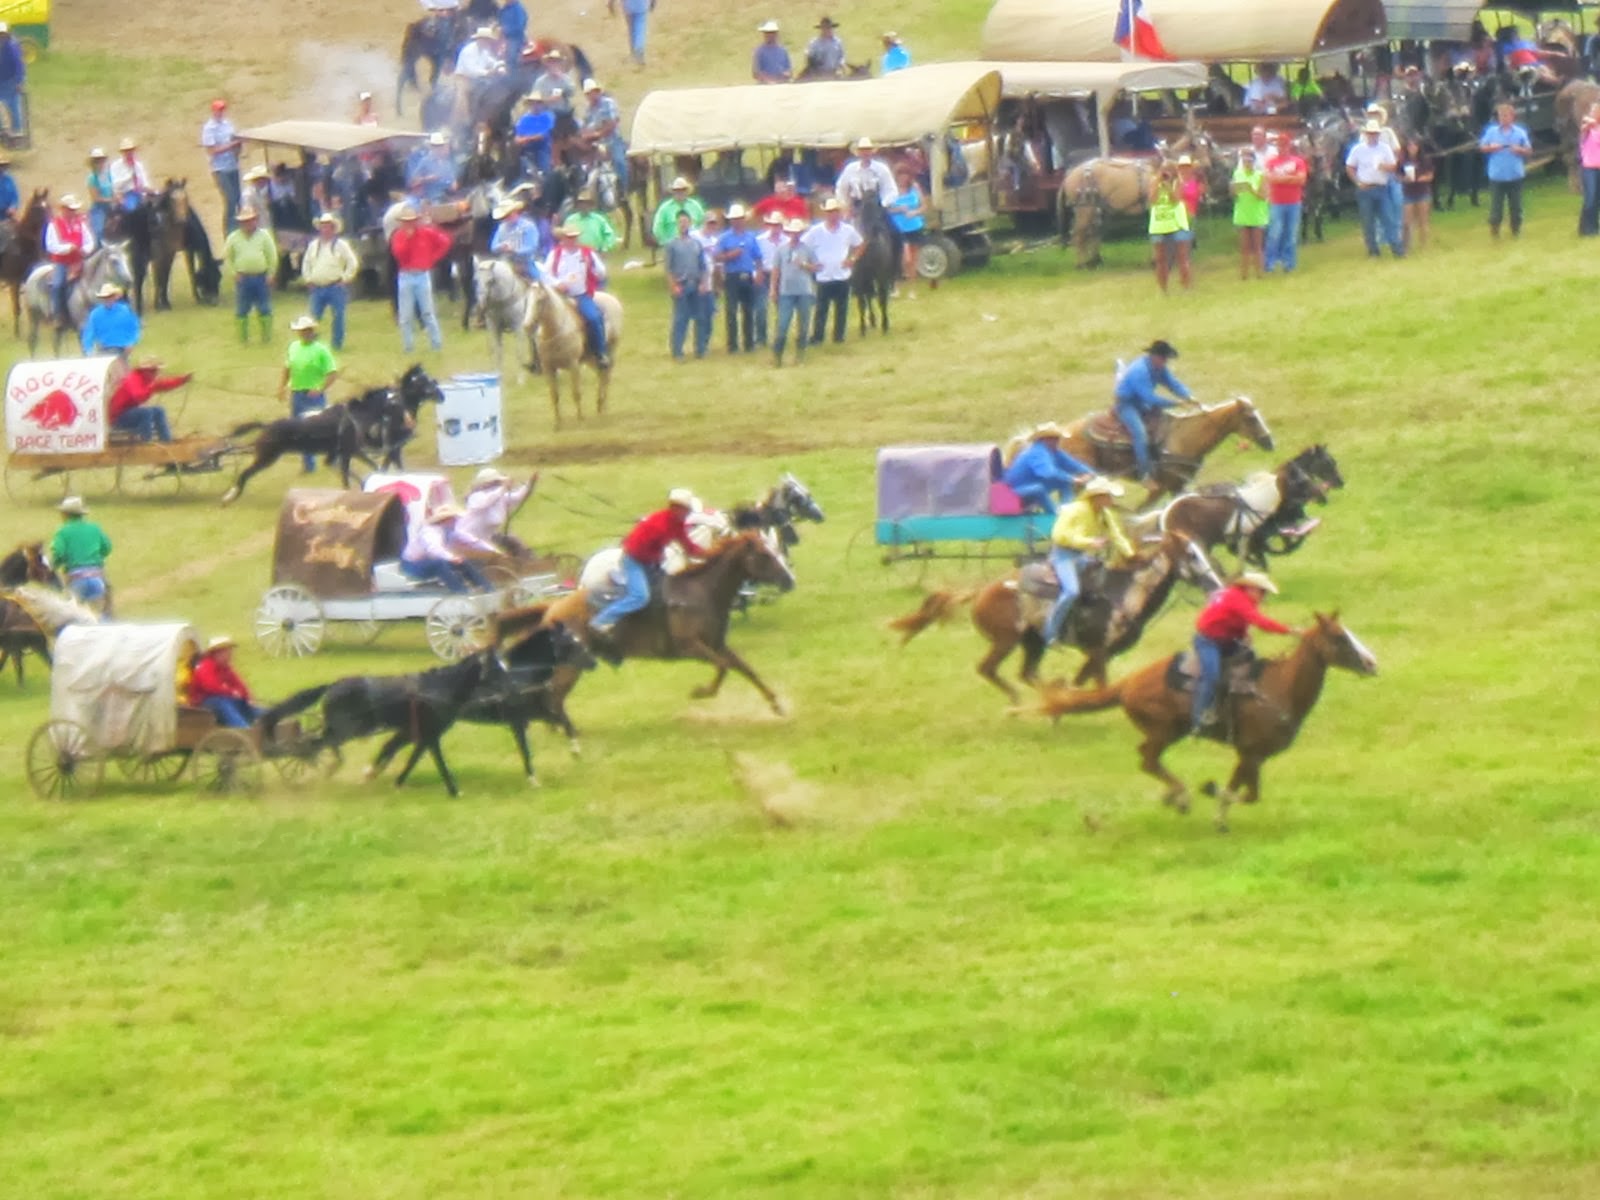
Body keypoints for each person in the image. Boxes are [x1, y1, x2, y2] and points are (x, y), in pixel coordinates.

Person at [1191, 572, 1298, 734]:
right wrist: (1289, 630)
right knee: (1212, 676)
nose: (1263, 596)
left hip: (1228, 640)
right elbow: (1260, 621)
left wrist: (1243, 634)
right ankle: (1198, 717)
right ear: (1250, 589)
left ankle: (1241, 700)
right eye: (1262, 591)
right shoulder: (1237, 598)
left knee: (1251, 661)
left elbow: (1234, 617)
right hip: (1209, 642)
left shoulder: (1240, 598)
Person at [590, 489, 708, 636]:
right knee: (640, 597)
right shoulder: (658, 524)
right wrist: (657, 558)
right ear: (676, 508)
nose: (689, 514)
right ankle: (600, 621)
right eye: (687, 510)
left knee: (671, 590)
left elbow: (688, 546)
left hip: (650, 562)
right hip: (633, 561)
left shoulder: (677, 524)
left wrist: (710, 554)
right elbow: (637, 550)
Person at [1044, 477, 1135, 646]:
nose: (1111, 500)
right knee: (1071, 591)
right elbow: (1059, 535)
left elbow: (1117, 535)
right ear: (1097, 497)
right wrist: (1089, 542)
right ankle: (1050, 632)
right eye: (1107, 496)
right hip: (1064, 555)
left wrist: (1130, 553)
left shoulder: (1104, 514)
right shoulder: (1074, 510)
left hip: (1082, 555)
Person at [1114, 339, 1192, 482]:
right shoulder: (1139, 371)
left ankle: (1161, 459)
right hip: (1127, 405)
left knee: (1165, 425)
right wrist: (1176, 403)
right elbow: (1150, 398)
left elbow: (1172, 383)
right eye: (1164, 358)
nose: (1165, 362)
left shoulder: (1159, 368)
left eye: (1166, 359)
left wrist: (1189, 396)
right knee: (1140, 434)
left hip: (1142, 403)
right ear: (1154, 356)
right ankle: (1145, 474)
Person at [543, 220, 611, 366]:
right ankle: (540, 356)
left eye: (574, 237)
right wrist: (557, 284)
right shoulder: (555, 254)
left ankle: (599, 352)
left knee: (593, 318)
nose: (572, 240)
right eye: (569, 237)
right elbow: (545, 274)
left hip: (581, 295)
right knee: (539, 319)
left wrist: (594, 270)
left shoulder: (587, 253)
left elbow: (601, 271)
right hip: (559, 297)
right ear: (563, 238)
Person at [390, 205, 453, 353]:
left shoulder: (427, 233)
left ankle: (436, 345)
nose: (409, 224)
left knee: (428, 312)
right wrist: (408, 239)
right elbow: (399, 255)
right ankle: (408, 347)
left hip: (422, 275)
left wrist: (433, 258)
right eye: (406, 221)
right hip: (406, 275)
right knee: (405, 315)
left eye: (411, 221)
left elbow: (445, 241)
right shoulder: (398, 236)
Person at [279, 315, 339, 472]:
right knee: (300, 431)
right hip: (297, 394)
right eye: (301, 331)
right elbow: (288, 368)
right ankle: (308, 465)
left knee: (322, 429)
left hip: (314, 397)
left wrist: (320, 388)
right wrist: (282, 387)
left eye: (307, 330)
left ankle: (333, 457)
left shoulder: (321, 350)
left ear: (312, 331)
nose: (304, 333)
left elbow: (332, 373)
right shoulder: (293, 347)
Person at [802, 197, 862, 345]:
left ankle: (838, 336)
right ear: (825, 214)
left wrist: (852, 259)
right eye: (830, 212)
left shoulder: (848, 230)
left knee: (842, 309)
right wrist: (809, 265)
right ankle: (818, 336)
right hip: (824, 275)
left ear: (839, 213)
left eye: (835, 211)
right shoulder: (816, 231)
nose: (833, 215)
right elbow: (801, 246)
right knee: (821, 309)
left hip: (842, 275)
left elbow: (861, 244)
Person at [1002, 424, 1093, 515]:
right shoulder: (1037, 452)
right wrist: (1073, 479)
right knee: (1038, 488)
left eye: (1057, 438)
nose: (1058, 441)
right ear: (1045, 439)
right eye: (1054, 438)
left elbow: (1074, 464)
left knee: (1064, 482)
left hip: (1026, 491)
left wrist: (1088, 473)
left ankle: (1066, 510)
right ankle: (1053, 515)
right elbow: (1048, 473)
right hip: (1012, 494)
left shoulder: (1055, 452)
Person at [300, 213, 359, 351]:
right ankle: (311, 345)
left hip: (335, 286)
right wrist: (308, 279)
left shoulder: (341, 245)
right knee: (313, 318)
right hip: (317, 287)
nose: (325, 229)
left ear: (333, 229)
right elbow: (306, 263)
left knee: (338, 317)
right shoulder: (313, 245)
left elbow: (353, 263)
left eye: (328, 227)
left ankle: (337, 345)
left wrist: (345, 279)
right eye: (322, 227)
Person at [402, 504, 493, 593]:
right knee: (439, 564)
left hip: (427, 561)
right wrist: (451, 557)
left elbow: (471, 540)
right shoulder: (429, 532)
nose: (456, 520)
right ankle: (460, 592)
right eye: (454, 518)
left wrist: (491, 550)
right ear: (446, 520)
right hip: (414, 565)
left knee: (462, 561)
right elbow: (433, 548)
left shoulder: (449, 530)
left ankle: (486, 587)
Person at [1347, 119, 1402, 259]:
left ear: (1378, 134)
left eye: (1375, 133)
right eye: (1370, 133)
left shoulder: (1385, 148)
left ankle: (1396, 249)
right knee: (1368, 222)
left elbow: (1394, 166)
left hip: (1381, 187)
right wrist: (1357, 182)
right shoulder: (1358, 149)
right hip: (1365, 188)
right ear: (1366, 134)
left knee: (1388, 218)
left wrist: (1385, 167)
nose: (1373, 136)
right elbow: (1350, 167)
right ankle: (1373, 251)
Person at [223, 206, 278, 344]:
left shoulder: (264, 236)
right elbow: (228, 258)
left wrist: (271, 273)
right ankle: (243, 339)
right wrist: (233, 273)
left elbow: (272, 256)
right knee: (242, 309)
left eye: (250, 220)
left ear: (256, 220)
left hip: (261, 277)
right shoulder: (233, 238)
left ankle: (266, 337)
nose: (247, 223)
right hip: (243, 278)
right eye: (244, 221)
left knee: (264, 307)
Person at [665, 209, 713, 361]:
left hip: (696, 284)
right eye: (681, 222)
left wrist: (704, 283)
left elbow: (703, 266)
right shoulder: (672, 245)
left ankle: (700, 349)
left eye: (686, 222)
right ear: (677, 224)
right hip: (681, 285)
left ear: (690, 223)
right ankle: (677, 351)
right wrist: (674, 286)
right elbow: (668, 268)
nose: (683, 225)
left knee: (700, 318)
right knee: (681, 319)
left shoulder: (696, 244)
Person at [50, 497, 113, 613]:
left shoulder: (62, 531)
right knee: (98, 614)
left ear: (65, 515)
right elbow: (107, 548)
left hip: (75, 579)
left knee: (75, 615)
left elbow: (59, 553)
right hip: (96, 577)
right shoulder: (95, 528)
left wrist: (54, 566)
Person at [1480, 101, 1531, 239]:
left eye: (1506, 116)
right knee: (1496, 207)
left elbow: (1528, 150)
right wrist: (1491, 148)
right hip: (1497, 175)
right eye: (1501, 116)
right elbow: (1482, 147)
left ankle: (1516, 231)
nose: (1503, 118)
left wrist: (1519, 150)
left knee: (1516, 206)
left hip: (1515, 174)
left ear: (1512, 117)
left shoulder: (1520, 133)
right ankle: (1495, 231)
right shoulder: (1491, 132)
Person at [188, 637, 265, 729]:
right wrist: (232, 692)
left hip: (223, 698)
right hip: (203, 703)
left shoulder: (225, 667)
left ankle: (269, 719)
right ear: (217, 653)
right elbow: (211, 687)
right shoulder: (205, 666)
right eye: (227, 652)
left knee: (244, 704)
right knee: (221, 702)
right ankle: (242, 728)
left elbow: (238, 683)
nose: (230, 655)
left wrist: (246, 697)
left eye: (230, 652)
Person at [108, 358, 189, 443]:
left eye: (156, 371)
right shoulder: (133, 379)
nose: (156, 373)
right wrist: (152, 387)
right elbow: (139, 396)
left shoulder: (148, 380)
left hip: (130, 412)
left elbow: (165, 384)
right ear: (145, 371)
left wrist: (182, 380)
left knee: (159, 410)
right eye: (153, 371)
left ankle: (166, 441)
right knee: (146, 412)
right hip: (119, 417)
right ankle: (146, 441)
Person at [770, 217, 817, 366]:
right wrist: (773, 289)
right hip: (786, 292)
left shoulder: (807, 249)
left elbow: (817, 267)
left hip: (804, 291)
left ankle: (800, 356)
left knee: (803, 325)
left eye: (797, 232)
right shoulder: (781, 250)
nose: (795, 235)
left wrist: (805, 265)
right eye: (792, 232)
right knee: (782, 325)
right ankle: (777, 356)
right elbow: (776, 271)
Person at [716, 203, 762, 354]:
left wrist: (759, 273)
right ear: (731, 221)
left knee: (748, 310)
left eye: (740, 218)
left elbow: (758, 257)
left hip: (747, 275)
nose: (737, 221)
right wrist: (730, 255)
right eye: (735, 219)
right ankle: (732, 345)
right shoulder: (724, 238)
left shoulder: (750, 237)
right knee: (731, 310)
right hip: (732, 276)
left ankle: (749, 343)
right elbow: (717, 257)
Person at [44, 195, 95, 328]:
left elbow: (89, 240)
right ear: (63, 209)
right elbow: (51, 245)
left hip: (78, 261)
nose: (73, 212)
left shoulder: (80, 223)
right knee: (58, 285)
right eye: (70, 209)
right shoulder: (54, 225)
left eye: (74, 210)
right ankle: (58, 315)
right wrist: (68, 248)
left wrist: (85, 249)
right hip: (62, 262)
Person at [458, 467, 536, 553]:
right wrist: (503, 489)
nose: (498, 484)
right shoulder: (476, 497)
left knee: (513, 542)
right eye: (495, 482)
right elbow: (485, 502)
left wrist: (530, 483)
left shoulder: (500, 496)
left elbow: (518, 497)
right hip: (467, 538)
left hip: (485, 538)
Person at [1263, 131, 1308, 274]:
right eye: (1279, 145)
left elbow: (1301, 179)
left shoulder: (1298, 161)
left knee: (1291, 234)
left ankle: (1288, 262)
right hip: (1277, 202)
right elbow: (1269, 178)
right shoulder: (1271, 162)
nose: (1281, 148)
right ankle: (1270, 262)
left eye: (1284, 145)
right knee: (1274, 233)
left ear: (1289, 146)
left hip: (1294, 202)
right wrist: (1290, 178)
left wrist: (1281, 178)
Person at [1146, 162, 1192, 294]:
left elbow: (1176, 200)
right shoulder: (1154, 182)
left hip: (1177, 223)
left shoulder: (1178, 182)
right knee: (1160, 259)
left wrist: (1168, 187)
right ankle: (1163, 289)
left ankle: (1186, 287)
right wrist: (1158, 184)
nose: (1167, 173)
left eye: (1169, 170)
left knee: (1182, 257)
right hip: (1158, 224)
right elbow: (1152, 200)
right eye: (1164, 170)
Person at [201, 99, 243, 233]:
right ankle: (229, 231)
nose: (221, 112)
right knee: (230, 199)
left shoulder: (228, 124)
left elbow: (235, 140)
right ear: (213, 111)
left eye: (222, 109)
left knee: (238, 198)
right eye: (219, 110)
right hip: (220, 169)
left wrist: (237, 147)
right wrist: (232, 146)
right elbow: (212, 151)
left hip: (233, 165)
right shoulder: (209, 128)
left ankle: (238, 228)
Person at [580, 79, 629, 190]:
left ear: (598, 92)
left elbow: (612, 122)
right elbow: (584, 128)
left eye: (593, 92)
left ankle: (624, 189)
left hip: (612, 140)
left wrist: (598, 134)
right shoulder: (588, 110)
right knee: (584, 165)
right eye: (588, 94)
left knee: (619, 161)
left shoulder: (608, 103)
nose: (591, 95)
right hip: (595, 144)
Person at [885, 164, 926, 295]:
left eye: (905, 175)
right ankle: (895, 287)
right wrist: (899, 209)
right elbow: (886, 208)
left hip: (914, 227)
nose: (903, 178)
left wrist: (915, 212)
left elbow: (924, 206)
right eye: (900, 175)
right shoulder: (891, 190)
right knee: (902, 259)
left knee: (913, 260)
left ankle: (912, 289)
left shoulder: (914, 187)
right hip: (897, 229)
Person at [832, 137, 898, 215]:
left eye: (867, 150)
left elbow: (891, 190)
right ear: (858, 152)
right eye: (862, 150)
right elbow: (841, 189)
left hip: (877, 209)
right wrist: (846, 206)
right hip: (857, 208)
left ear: (872, 152)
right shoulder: (850, 169)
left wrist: (883, 204)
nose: (865, 153)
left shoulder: (881, 169)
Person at [1231, 147, 1269, 279]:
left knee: (1257, 246)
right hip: (1242, 212)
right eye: (1244, 160)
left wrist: (1251, 189)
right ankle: (1244, 274)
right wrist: (1233, 190)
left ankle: (1259, 273)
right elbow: (1234, 194)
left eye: (1249, 160)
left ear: (1253, 161)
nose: (1247, 163)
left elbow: (1264, 195)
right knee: (1244, 247)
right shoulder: (1237, 174)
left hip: (1256, 213)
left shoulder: (1260, 175)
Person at [80, 283, 141, 359]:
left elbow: (135, 328)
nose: (107, 299)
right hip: (104, 350)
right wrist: (88, 351)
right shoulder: (95, 314)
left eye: (110, 296)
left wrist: (131, 343)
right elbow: (88, 334)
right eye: (105, 297)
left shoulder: (125, 311)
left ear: (115, 297)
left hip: (123, 350)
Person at [490, 196, 544, 277]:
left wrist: (515, 250)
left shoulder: (528, 226)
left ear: (515, 212)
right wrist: (501, 247)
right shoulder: (501, 228)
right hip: (505, 262)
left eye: (509, 214)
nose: (507, 218)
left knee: (538, 281)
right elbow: (493, 246)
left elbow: (532, 247)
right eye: (505, 216)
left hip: (525, 264)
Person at [1398, 136, 1435, 251]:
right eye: (1410, 146)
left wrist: (1422, 178)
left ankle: (1424, 245)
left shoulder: (1425, 160)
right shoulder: (1402, 161)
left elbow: (1430, 175)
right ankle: (1405, 246)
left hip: (1422, 192)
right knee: (1406, 222)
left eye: (1414, 145)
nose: (1412, 148)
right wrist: (1404, 179)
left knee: (1423, 221)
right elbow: (1398, 175)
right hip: (1408, 192)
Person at [652, 176, 706, 249]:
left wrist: (700, 241)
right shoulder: (664, 208)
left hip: (694, 245)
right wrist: (666, 242)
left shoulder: (696, 206)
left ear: (687, 191)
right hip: (673, 245)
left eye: (683, 190)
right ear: (673, 192)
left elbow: (704, 224)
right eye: (677, 190)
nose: (680, 192)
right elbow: (658, 228)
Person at [513, 92, 556, 178]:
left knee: (545, 169)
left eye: (538, 103)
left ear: (542, 104)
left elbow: (544, 135)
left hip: (543, 147)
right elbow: (517, 137)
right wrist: (522, 140)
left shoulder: (548, 116)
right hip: (526, 149)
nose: (535, 105)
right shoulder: (524, 119)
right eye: (532, 103)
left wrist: (526, 139)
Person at [407, 131, 457, 204]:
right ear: (432, 147)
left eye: (440, 146)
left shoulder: (446, 163)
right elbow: (413, 181)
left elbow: (452, 179)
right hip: (432, 199)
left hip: (447, 197)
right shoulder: (425, 161)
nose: (438, 149)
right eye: (436, 146)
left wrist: (453, 184)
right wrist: (428, 178)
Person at [109, 138, 154, 214]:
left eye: (131, 150)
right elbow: (115, 185)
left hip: (141, 193)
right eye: (126, 151)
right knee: (131, 208)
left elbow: (144, 183)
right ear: (122, 152)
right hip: (126, 194)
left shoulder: (138, 165)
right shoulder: (115, 166)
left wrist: (152, 191)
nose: (129, 153)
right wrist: (129, 177)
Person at [568, 187, 620, 252]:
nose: (584, 206)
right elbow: (565, 237)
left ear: (591, 205)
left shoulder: (599, 219)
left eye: (587, 203)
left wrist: (605, 248)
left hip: (597, 253)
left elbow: (610, 234)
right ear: (578, 205)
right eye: (581, 203)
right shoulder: (571, 220)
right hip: (577, 255)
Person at [532, 47, 577, 117]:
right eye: (552, 62)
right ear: (548, 64)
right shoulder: (540, 82)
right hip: (545, 114)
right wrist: (549, 100)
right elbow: (534, 102)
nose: (554, 64)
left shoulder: (565, 78)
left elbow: (572, 93)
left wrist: (562, 78)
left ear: (560, 64)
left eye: (557, 62)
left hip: (563, 113)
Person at [608, 0, 654, 67]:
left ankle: (633, 53)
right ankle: (639, 49)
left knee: (631, 28)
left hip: (628, 4)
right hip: (641, 3)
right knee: (640, 25)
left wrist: (611, 3)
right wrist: (653, 2)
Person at [0, 22, 25, 136]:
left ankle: (17, 131)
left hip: (11, 80)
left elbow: (19, 65)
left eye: (2, 34)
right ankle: (2, 130)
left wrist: (19, 81)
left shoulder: (12, 46)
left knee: (13, 105)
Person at [86, 149, 115, 242]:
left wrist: (118, 197)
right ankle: (99, 248)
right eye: (96, 161)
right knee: (98, 230)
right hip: (99, 207)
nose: (100, 163)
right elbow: (96, 198)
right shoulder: (91, 178)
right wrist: (111, 199)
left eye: (101, 160)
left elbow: (115, 188)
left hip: (112, 204)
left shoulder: (110, 175)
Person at [1580, 101, 1600, 237]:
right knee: (1590, 197)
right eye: (1593, 111)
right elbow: (1585, 126)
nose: (1594, 113)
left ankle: (1594, 226)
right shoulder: (1587, 128)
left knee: (1597, 198)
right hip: (1589, 169)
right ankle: (1586, 228)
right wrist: (1591, 121)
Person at [497, 0, 528, 67]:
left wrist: (505, 29)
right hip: (506, 38)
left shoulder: (518, 9)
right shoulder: (505, 8)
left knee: (511, 58)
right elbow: (500, 19)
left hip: (515, 38)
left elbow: (519, 26)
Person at [0, 153, 17, 222]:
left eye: (3, 166)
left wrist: (13, 206)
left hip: (6, 215)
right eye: (0, 165)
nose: (2, 168)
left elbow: (15, 196)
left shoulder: (9, 180)